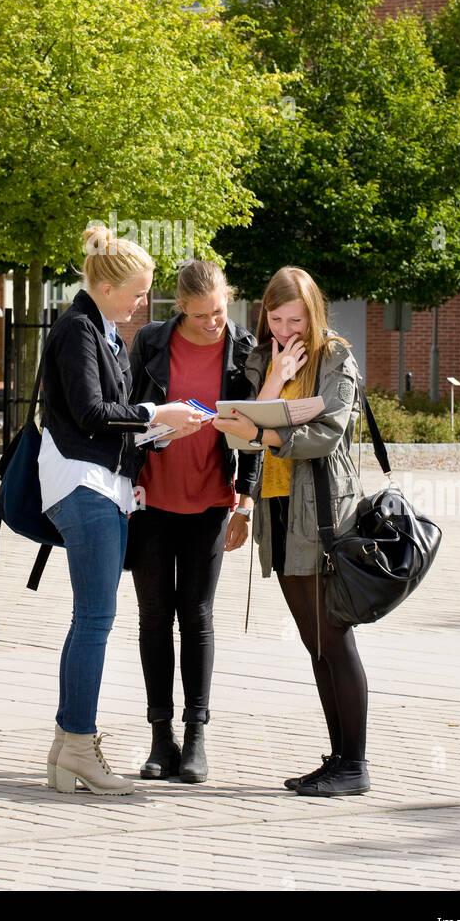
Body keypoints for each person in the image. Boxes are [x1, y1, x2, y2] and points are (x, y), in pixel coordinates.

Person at [39, 226, 208, 796]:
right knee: (94, 620)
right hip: (83, 484)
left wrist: (160, 426)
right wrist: (155, 411)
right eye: (138, 293)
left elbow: (110, 417)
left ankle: (68, 749)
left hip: (95, 483)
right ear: (107, 287)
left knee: (87, 619)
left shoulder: (101, 328)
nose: (144, 304)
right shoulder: (78, 328)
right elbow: (90, 412)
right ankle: (79, 749)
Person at [213, 265, 370, 797]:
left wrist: (263, 430)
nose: (285, 330)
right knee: (315, 642)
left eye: (295, 319)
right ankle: (340, 757)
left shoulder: (337, 358)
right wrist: (274, 382)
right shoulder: (264, 356)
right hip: (278, 513)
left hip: (323, 514)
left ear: (314, 313)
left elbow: (325, 436)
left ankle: (354, 765)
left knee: (334, 638)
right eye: (276, 319)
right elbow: (244, 432)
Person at [126, 261, 259, 783]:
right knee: (154, 616)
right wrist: (156, 428)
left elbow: (253, 431)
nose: (213, 323)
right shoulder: (151, 343)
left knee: (197, 616)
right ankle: (162, 737)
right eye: (201, 315)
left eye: (220, 312)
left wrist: (244, 504)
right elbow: (127, 411)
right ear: (180, 308)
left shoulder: (243, 349)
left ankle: (197, 735)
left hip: (210, 500)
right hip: (151, 499)